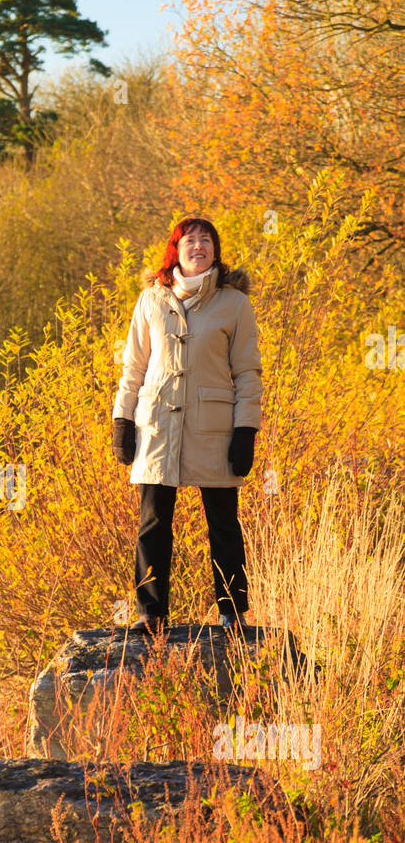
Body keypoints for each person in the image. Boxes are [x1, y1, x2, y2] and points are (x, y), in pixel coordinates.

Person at [111, 217, 263, 635]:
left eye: (207, 241)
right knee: (153, 524)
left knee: (224, 524)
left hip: (214, 427)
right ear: (175, 251)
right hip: (158, 426)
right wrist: (122, 418)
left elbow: (248, 373)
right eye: (190, 241)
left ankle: (232, 611)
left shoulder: (234, 305)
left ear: (215, 250)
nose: (199, 247)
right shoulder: (151, 300)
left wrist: (245, 431)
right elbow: (133, 367)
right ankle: (150, 613)